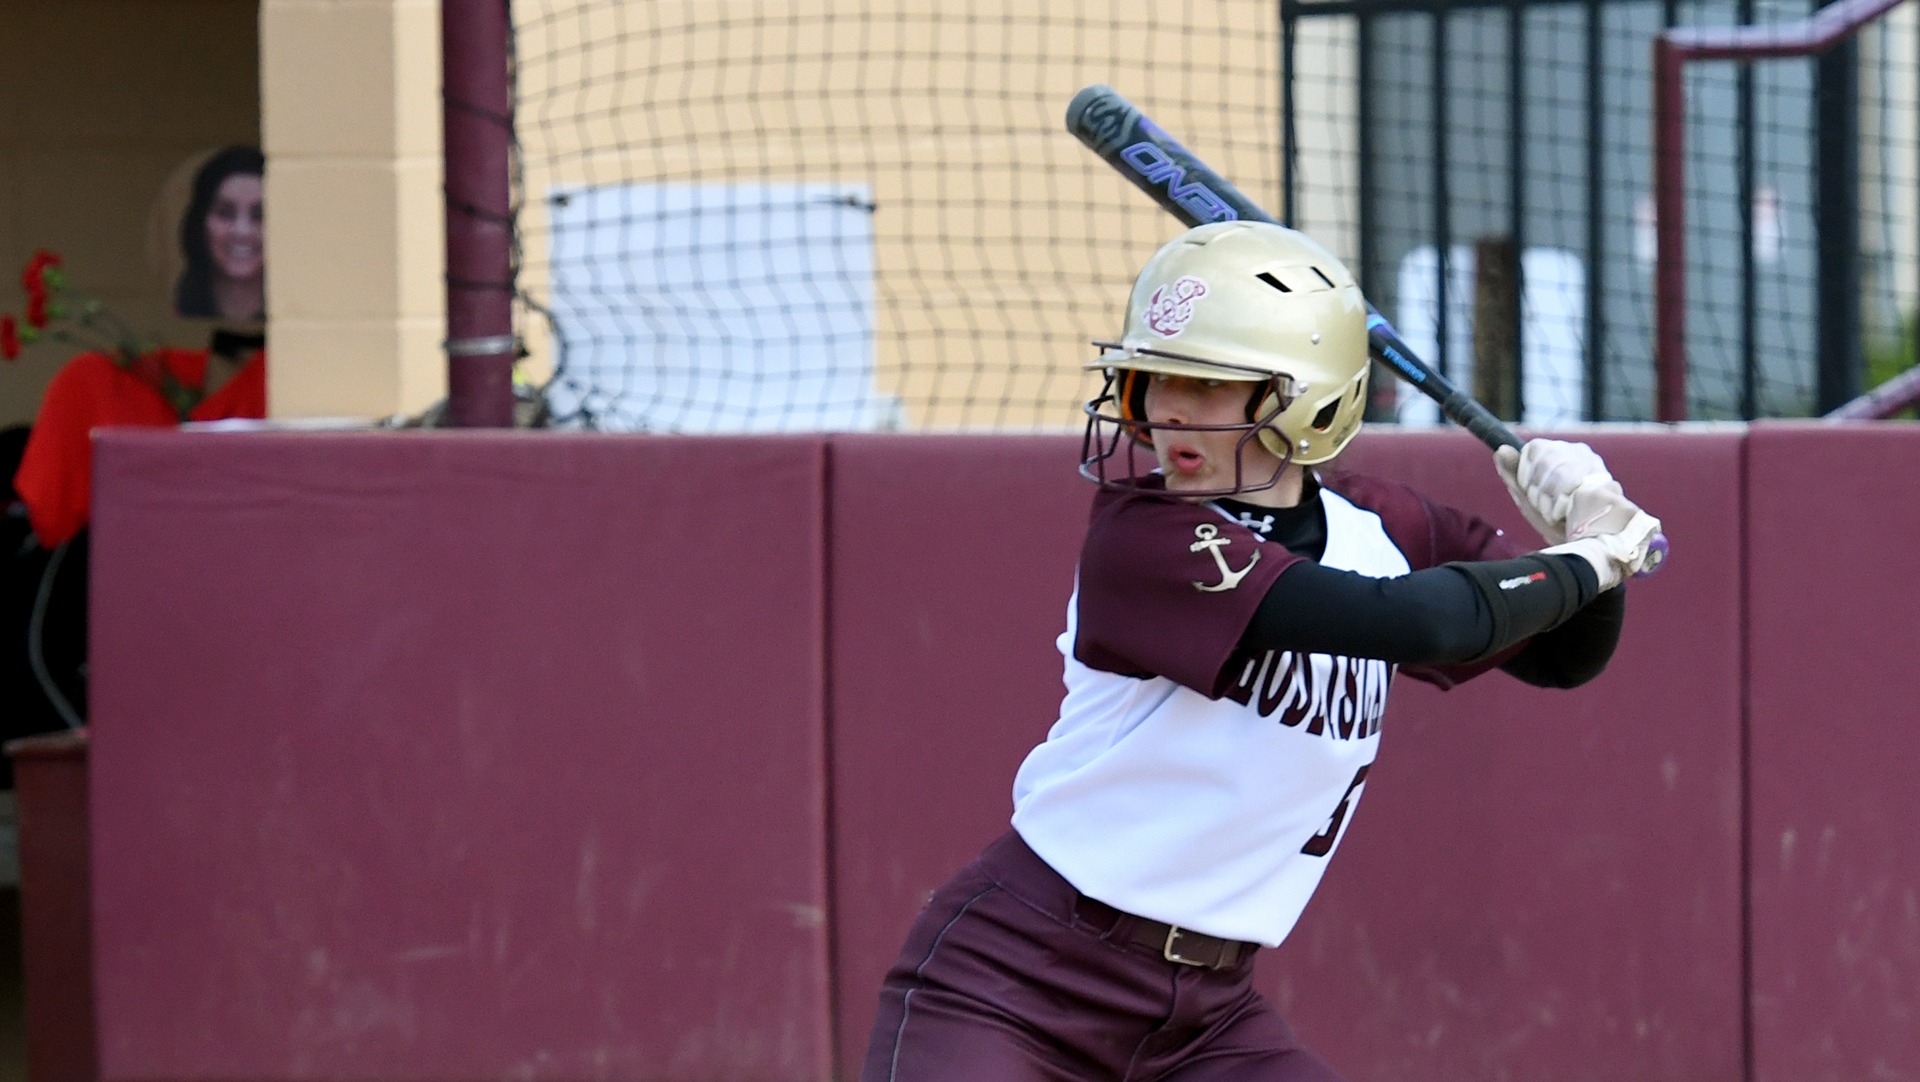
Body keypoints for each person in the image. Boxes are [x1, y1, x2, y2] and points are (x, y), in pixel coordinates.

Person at [859, 221, 1661, 1082]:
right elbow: (1419, 624)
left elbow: (1562, 655)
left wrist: (1584, 526)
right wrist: (1587, 558)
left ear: (1305, 399)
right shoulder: (1143, 534)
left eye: (1205, 386)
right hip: (1018, 983)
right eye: (1153, 378)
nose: (1166, 410)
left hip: (1206, 1023)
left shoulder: (1383, 526)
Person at [172, 145, 266, 322]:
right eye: (225, 213)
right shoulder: (176, 312)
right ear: (200, 222)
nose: (242, 231)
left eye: (259, 215)